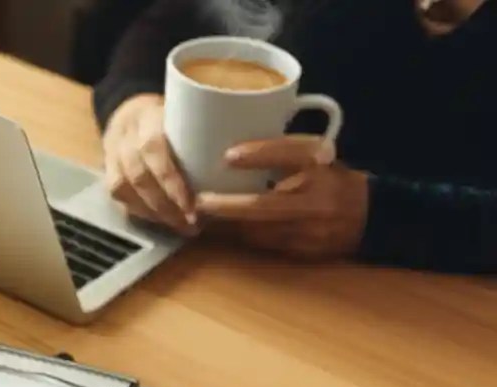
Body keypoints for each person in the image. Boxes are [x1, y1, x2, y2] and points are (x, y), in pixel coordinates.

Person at [94, 0, 496, 272]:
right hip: (210, 257)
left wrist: (380, 217)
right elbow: (171, 24)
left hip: (416, 318)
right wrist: (133, 106)